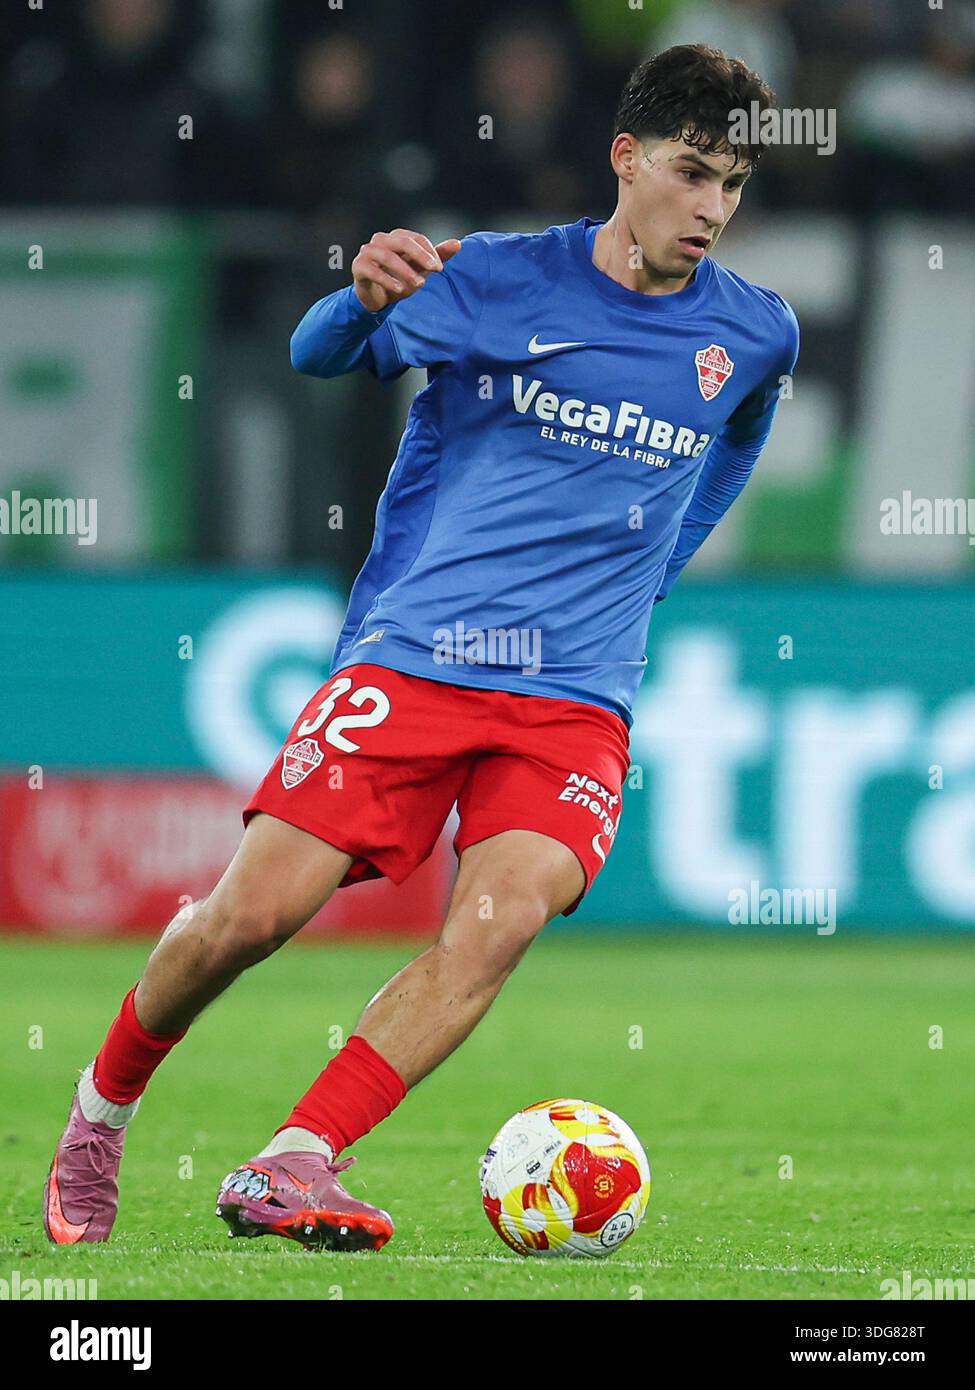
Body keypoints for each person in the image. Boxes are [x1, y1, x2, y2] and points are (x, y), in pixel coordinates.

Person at [44, 44, 799, 1252]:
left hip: (574, 700)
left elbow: (743, 433)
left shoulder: (755, 333)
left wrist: (659, 568)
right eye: (694, 173)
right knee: (249, 920)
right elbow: (315, 353)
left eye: (736, 184)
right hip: (419, 659)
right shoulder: (500, 279)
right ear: (627, 160)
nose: (712, 208)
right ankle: (99, 1109)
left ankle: (296, 1158)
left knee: (498, 921)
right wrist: (361, 294)